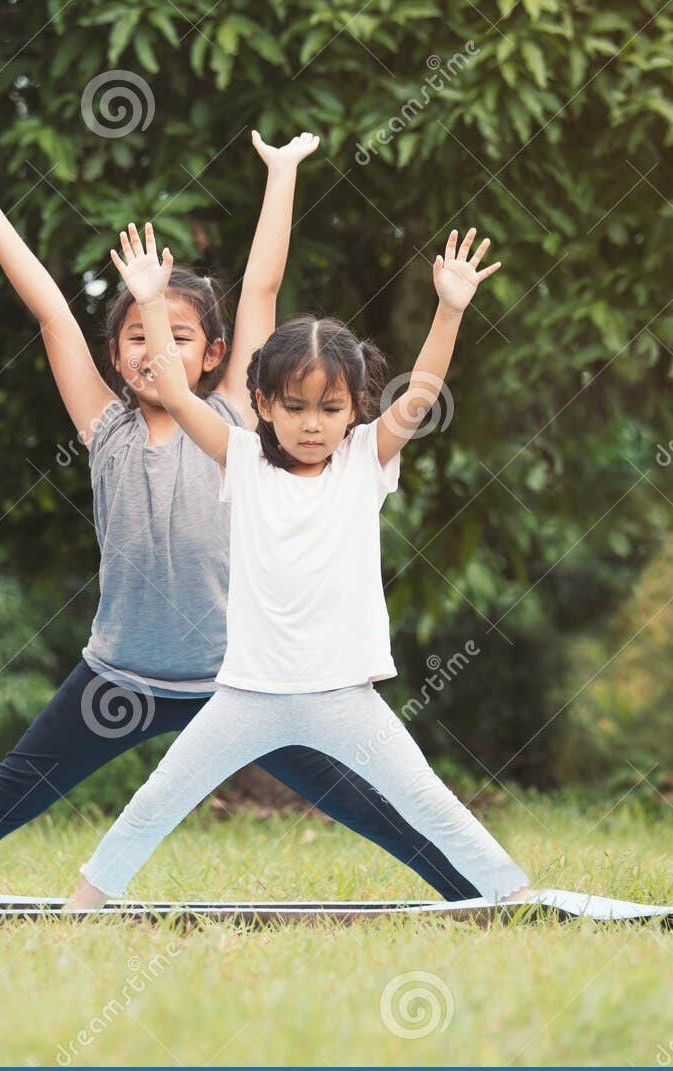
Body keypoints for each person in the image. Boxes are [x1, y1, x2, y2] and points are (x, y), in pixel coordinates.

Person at [0, 132, 481, 903]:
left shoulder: (238, 422)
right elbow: (51, 310)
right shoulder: (103, 426)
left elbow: (261, 289)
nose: (156, 353)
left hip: (241, 684)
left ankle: (477, 890)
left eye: (176, 339)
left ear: (213, 354)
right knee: (3, 796)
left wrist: (281, 176)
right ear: (115, 356)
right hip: (118, 676)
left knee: (363, 802)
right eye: (138, 339)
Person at [66, 222, 535, 910]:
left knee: (431, 802)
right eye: (295, 407)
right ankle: (84, 901)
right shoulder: (241, 459)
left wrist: (451, 309)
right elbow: (177, 386)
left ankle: (515, 894)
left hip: (344, 694)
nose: (313, 423)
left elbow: (423, 393)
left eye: (331, 408)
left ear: (353, 410)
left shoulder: (364, 458)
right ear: (262, 404)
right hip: (247, 695)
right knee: (158, 798)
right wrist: (149, 298)